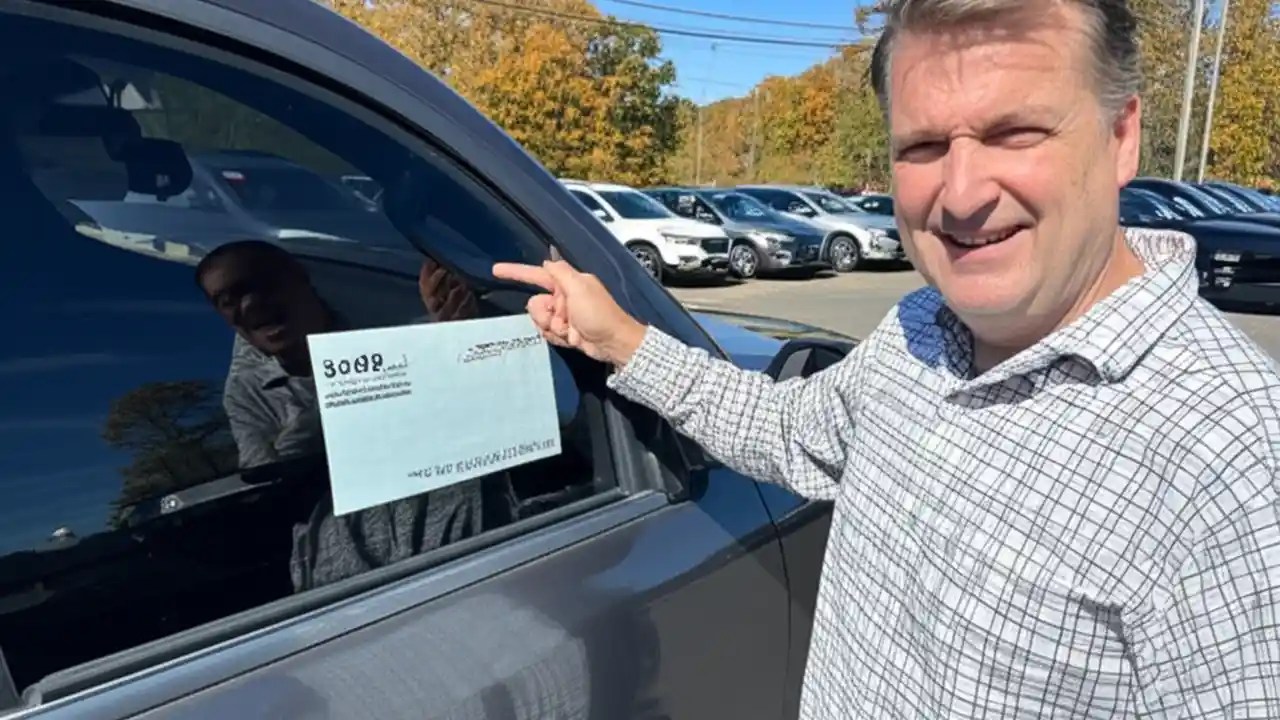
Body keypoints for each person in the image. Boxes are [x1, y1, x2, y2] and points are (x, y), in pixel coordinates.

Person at [494, 0, 1280, 717]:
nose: (963, 192)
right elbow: (779, 427)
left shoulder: (1232, 454)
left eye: (1016, 132)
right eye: (925, 145)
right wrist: (618, 338)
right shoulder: (919, 330)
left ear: (1120, 137)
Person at [196, 240, 514, 591]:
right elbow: (268, 483)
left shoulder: (396, 320)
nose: (252, 304)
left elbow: (490, 412)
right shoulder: (245, 391)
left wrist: (455, 341)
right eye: (229, 301)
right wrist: (328, 412)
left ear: (300, 277)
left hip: (462, 539)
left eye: (262, 284)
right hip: (346, 572)